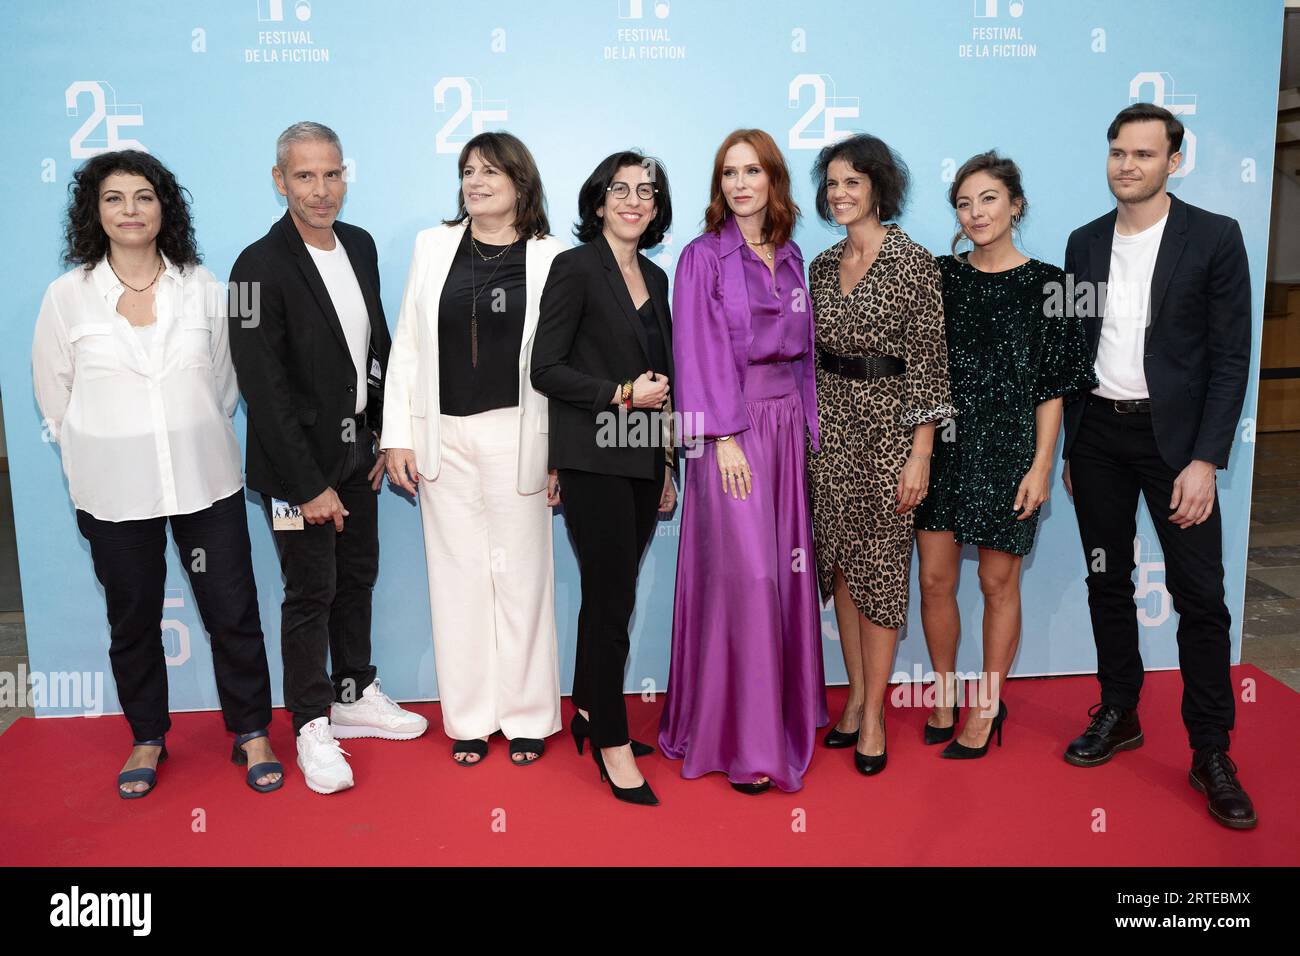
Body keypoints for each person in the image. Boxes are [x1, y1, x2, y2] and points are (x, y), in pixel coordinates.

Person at [33, 150, 283, 797]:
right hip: (114, 493)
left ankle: (251, 730)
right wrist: (98, 450)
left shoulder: (203, 287)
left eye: (144, 196)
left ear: (163, 207)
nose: (130, 210)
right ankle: (147, 736)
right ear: (94, 212)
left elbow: (224, 384)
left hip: (206, 482)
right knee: (133, 620)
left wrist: (185, 430)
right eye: (114, 198)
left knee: (233, 612)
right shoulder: (67, 297)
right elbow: (55, 398)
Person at [1060, 103, 1255, 829]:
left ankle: (1211, 750)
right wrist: (1073, 442)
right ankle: (1120, 710)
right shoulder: (1083, 243)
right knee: (1106, 581)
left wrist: (1206, 459)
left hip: (1178, 447)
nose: (1127, 165)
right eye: (1118, 152)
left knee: (1200, 598)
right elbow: (1070, 349)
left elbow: (1231, 358)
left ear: (1174, 161)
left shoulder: (1214, 237)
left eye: (1143, 154)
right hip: (1098, 440)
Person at [228, 121, 427, 795]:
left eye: (332, 173)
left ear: (346, 175)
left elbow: (377, 349)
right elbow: (261, 386)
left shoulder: (360, 245)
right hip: (297, 472)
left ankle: (352, 693)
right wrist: (308, 485)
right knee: (310, 593)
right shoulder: (255, 267)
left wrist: (384, 432)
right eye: (305, 175)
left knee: (357, 578)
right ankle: (312, 725)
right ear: (279, 181)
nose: (321, 189)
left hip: (356, 455)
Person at [382, 131, 565, 766]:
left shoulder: (552, 257)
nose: (476, 182)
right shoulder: (432, 246)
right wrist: (398, 433)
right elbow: (408, 343)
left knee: (522, 579)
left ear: (521, 182)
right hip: (443, 436)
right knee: (455, 579)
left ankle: (528, 716)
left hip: (520, 435)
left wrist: (561, 452)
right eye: (467, 172)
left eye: (490, 171)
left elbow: (564, 360)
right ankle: (469, 717)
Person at [657, 129, 826, 794]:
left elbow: (805, 354)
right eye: (729, 173)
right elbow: (694, 353)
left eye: (752, 171)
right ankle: (745, 742)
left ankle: (782, 716)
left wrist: (809, 427)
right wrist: (723, 436)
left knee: (785, 574)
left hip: (786, 431)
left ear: (773, 179)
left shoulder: (792, 254)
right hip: (730, 431)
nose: (740, 184)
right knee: (751, 577)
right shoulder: (702, 258)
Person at [915, 151, 1095, 758]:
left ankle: (988, 704)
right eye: (964, 204)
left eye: (988, 199)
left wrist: (1042, 466)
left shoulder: (1055, 286)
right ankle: (944, 692)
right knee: (934, 580)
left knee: (997, 583)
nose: (976, 213)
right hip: (941, 449)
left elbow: (1054, 388)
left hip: (1011, 454)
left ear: (1016, 205)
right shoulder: (938, 277)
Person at [806, 133, 956, 776]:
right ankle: (856, 697)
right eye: (832, 184)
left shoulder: (912, 262)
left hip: (889, 434)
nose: (840, 194)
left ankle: (874, 717)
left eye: (853, 182)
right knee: (841, 565)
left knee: (882, 572)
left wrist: (921, 454)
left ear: (878, 188)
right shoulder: (819, 266)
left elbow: (930, 365)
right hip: (828, 430)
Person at [531, 150, 676, 806]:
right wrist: (620, 394)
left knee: (610, 593)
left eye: (646, 191)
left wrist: (667, 461)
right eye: (620, 189)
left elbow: (666, 381)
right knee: (612, 598)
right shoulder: (575, 267)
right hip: (592, 457)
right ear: (598, 201)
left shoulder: (656, 276)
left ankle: (589, 709)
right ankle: (613, 742)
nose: (633, 200)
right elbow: (545, 368)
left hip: (643, 457)